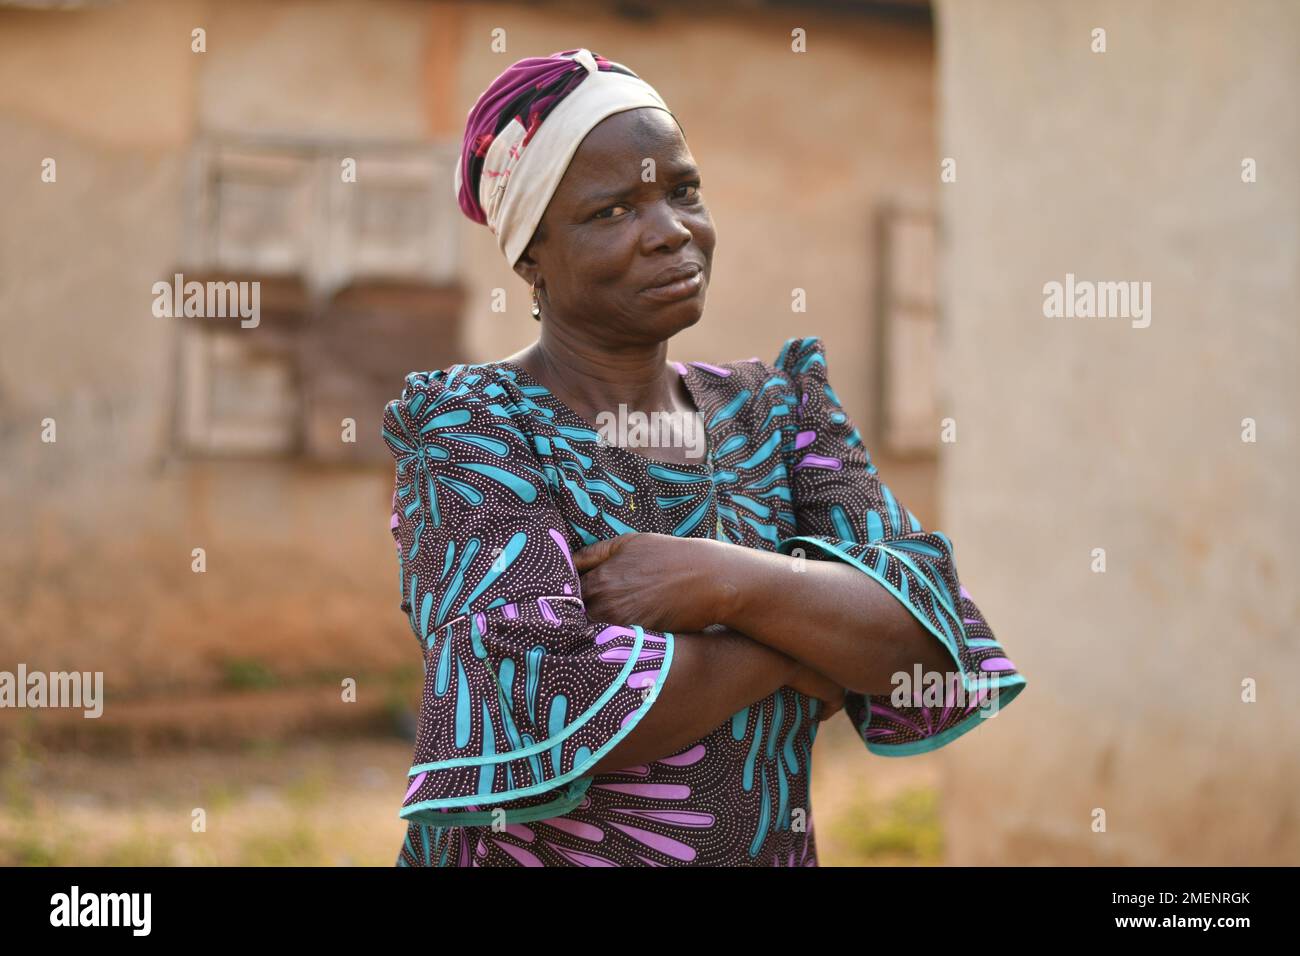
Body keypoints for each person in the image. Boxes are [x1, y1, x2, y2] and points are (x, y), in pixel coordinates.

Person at [383, 48, 1025, 867]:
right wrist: (801, 637)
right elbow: (539, 703)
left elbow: (929, 646)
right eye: (612, 211)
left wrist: (725, 579)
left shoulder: (778, 411)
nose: (670, 232)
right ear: (531, 256)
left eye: (682, 191)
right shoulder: (476, 431)